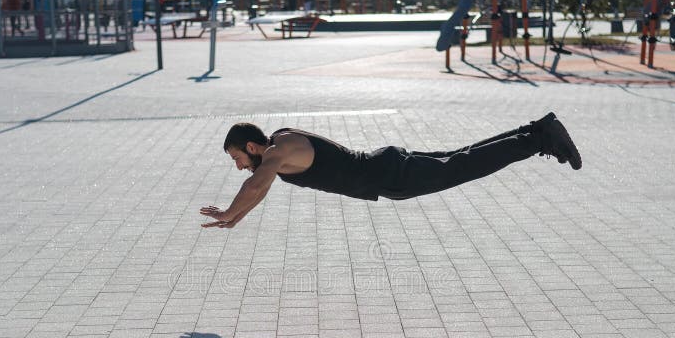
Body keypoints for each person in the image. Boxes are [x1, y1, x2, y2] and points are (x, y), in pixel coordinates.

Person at [200, 113, 581, 229]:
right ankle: (534, 133)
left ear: (252, 147)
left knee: (464, 165)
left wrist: (232, 213)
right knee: (461, 159)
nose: (239, 167)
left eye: (237, 158)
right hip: (388, 171)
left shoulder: (277, 152)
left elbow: (256, 185)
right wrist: (238, 217)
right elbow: (259, 189)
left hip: (389, 175)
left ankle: (538, 139)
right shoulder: (280, 146)